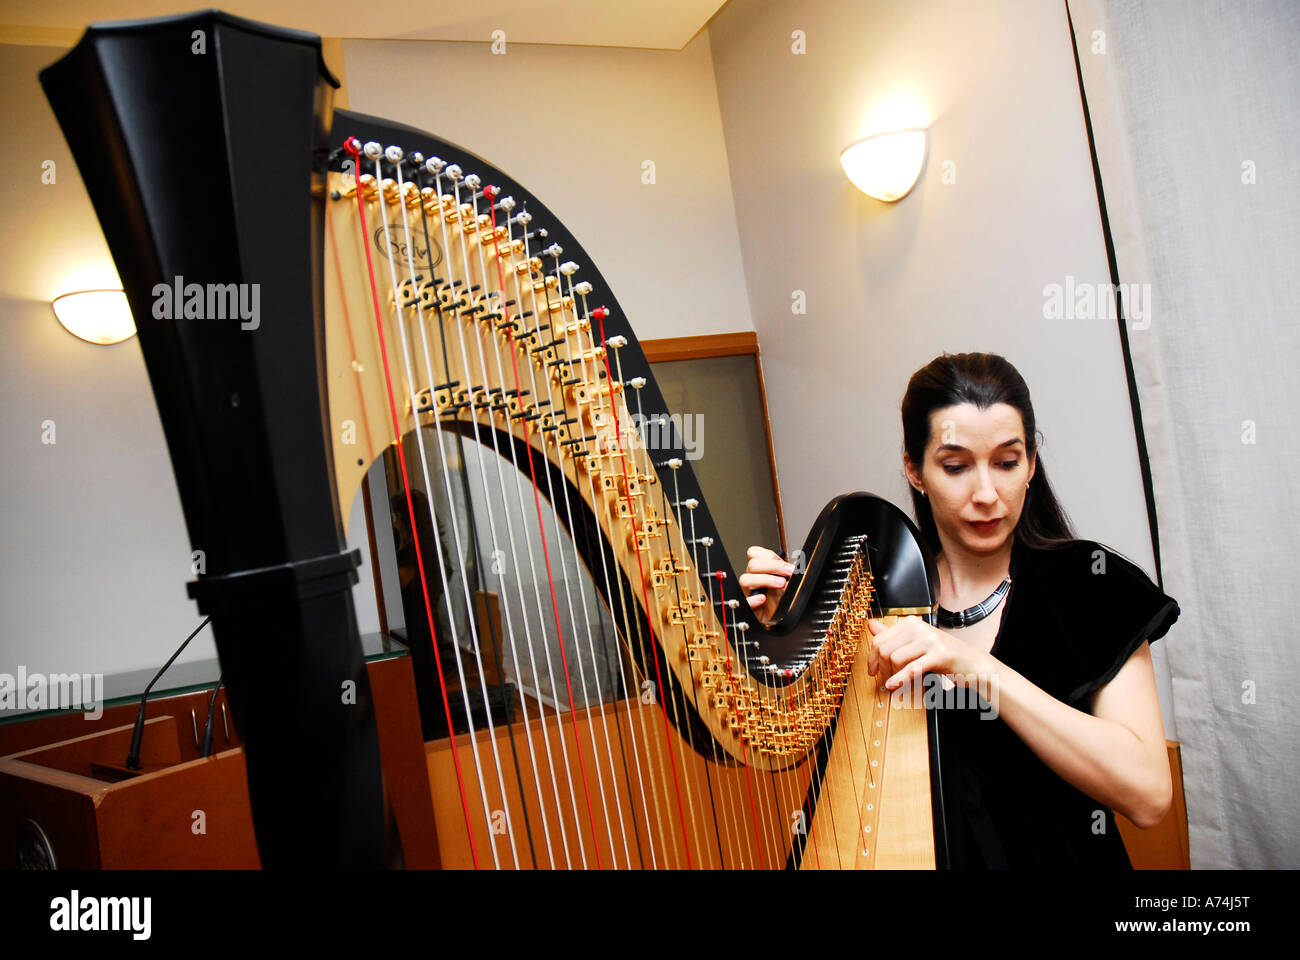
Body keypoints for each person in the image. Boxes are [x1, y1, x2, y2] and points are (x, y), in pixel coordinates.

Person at [739, 352, 1179, 869]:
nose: (987, 494)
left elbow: (1149, 797)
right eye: (955, 466)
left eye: (1007, 462)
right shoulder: (874, 599)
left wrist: (977, 668)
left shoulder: (1089, 585)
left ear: (1031, 464)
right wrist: (783, 634)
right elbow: (820, 754)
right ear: (914, 469)